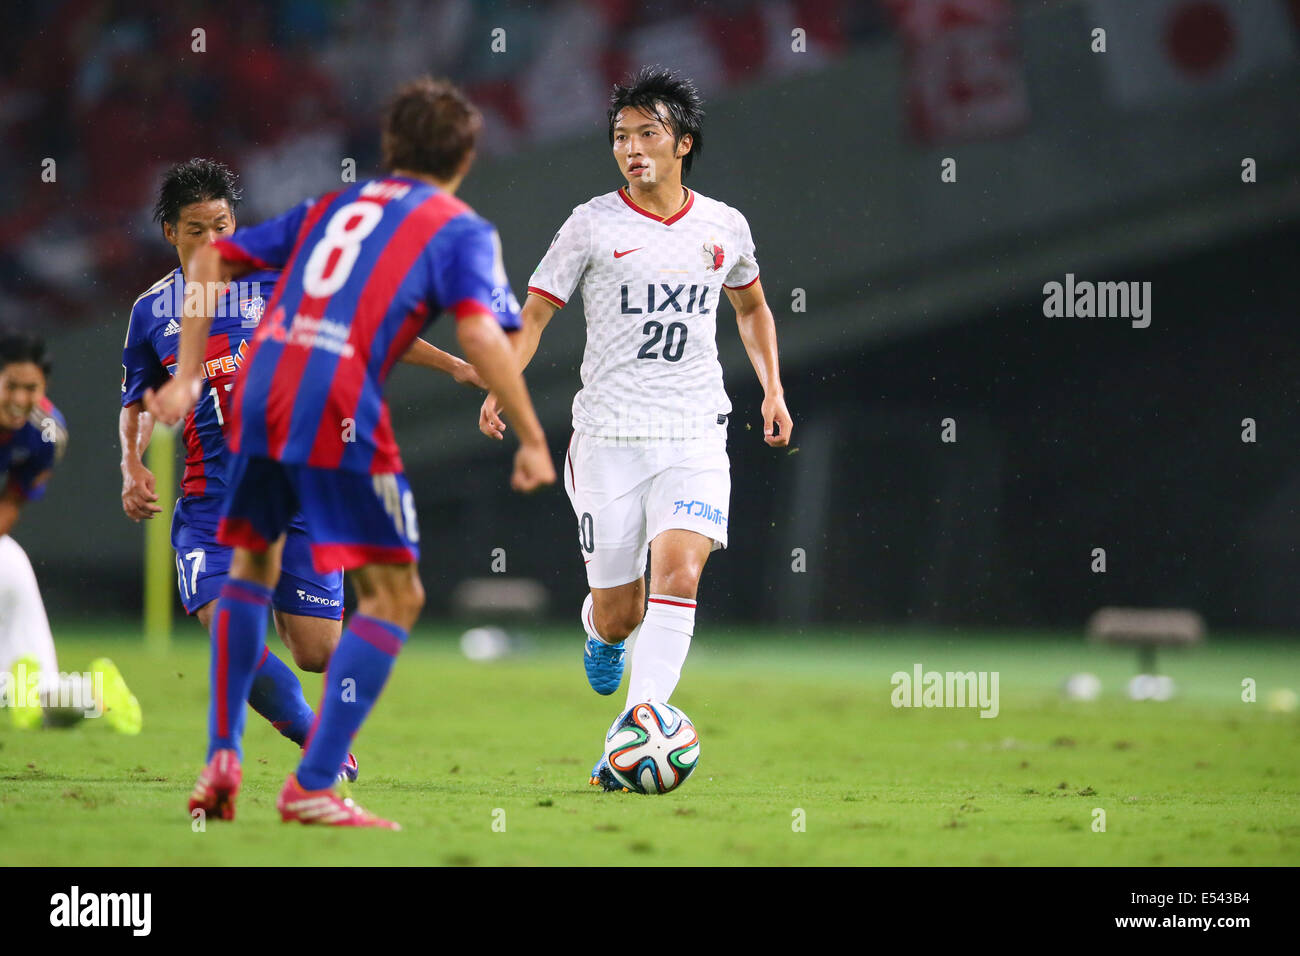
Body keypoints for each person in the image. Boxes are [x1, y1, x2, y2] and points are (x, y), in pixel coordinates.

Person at [147, 76, 554, 828]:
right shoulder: (459, 228)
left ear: (391, 148)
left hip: (265, 382)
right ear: (463, 155)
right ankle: (313, 781)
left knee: (252, 565)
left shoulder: (332, 207)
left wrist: (185, 374)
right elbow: (480, 334)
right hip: (332, 403)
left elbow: (206, 267)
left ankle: (224, 753)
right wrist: (530, 433)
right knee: (397, 597)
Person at [476, 67, 793, 789]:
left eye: (647, 134)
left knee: (679, 571)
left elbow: (751, 308)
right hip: (608, 442)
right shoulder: (591, 223)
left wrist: (773, 388)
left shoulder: (724, 226)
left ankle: (639, 726)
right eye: (621, 137)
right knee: (624, 612)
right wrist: (504, 378)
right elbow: (535, 314)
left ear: (683, 143)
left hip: (694, 434)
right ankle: (598, 631)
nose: (632, 149)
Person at [121, 158, 485, 783]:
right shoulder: (153, 312)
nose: (213, 241)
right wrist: (132, 462)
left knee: (316, 653)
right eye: (196, 229)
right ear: (169, 233)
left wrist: (455, 366)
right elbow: (135, 400)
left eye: (222, 224)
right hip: (212, 504)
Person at [1, 329, 141, 733]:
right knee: (45, 701)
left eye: (31, 388)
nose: (20, 399)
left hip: (5, 560)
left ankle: (23, 687)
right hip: (9, 559)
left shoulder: (46, 432)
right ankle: (98, 693)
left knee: (30, 693)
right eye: (11, 385)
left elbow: (11, 502)